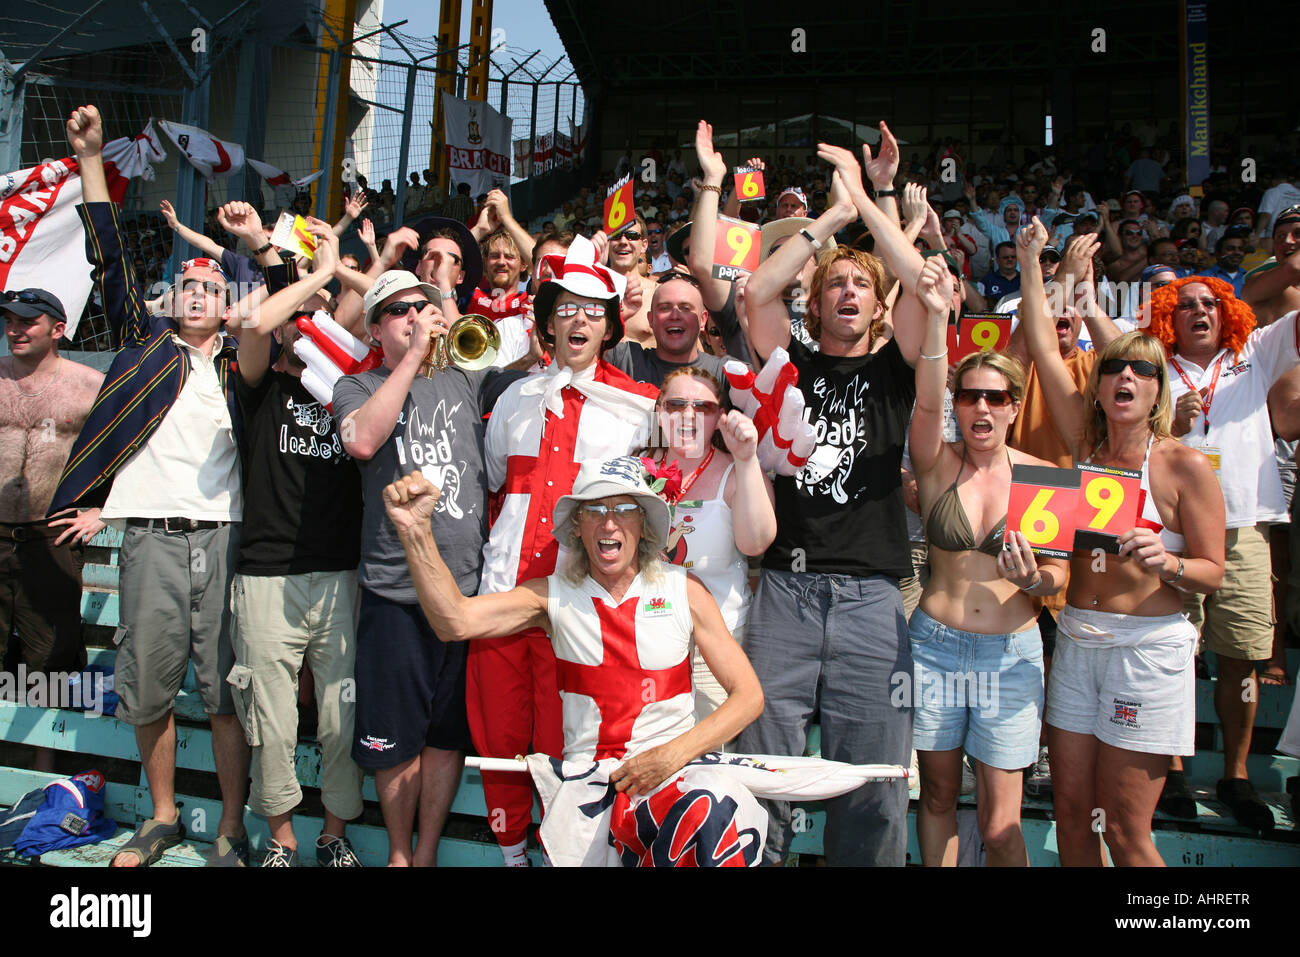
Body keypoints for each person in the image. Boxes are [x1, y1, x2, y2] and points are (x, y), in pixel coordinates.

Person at [49, 106, 293, 867]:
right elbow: (106, 257)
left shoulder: (241, 369)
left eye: (211, 283)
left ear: (226, 305)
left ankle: (226, 826)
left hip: (224, 541)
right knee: (148, 689)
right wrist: (92, 160)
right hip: (150, 537)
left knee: (224, 694)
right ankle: (160, 817)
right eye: (185, 282)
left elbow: (284, 307)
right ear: (167, 299)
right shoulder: (141, 349)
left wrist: (258, 242)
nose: (196, 289)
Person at [384, 456, 764, 866]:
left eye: (624, 510)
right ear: (578, 527)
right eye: (595, 510)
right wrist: (416, 532)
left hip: (676, 783)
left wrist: (672, 755)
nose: (609, 523)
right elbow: (453, 621)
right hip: (588, 790)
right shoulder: (550, 596)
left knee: (706, 816)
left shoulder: (685, 589)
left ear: (644, 525)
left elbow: (749, 697)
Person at [735, 139, 928, 866]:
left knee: (875, 781)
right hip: (785, 588)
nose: (849, 292)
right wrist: (832, 215)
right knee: (761, 775)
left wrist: (874, 206)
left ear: (879, 307)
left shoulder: (897, 368)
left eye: (862, 286)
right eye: (835, 284)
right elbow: (755, 293)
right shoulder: (792, 361)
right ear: (814, 303)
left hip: (874, 597)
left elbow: (922, 288)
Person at [1017, 216, 1226, 866]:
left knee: (1129, 835)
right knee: (1074, 819)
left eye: (1141, 370)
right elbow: (1045, 352)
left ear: (1158, 387)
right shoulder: (1083, 451)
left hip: (1149, 649)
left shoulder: (1182, 465)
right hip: (1077, 639)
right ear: (1100, 386)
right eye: (1114, 370)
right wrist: (1032, 260)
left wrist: (1169, 561)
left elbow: (1213, 570)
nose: (1126, 378)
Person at [470, 235, 660, 866]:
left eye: (593, 310)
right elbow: (497, 483)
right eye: (566, 308)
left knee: (567, 744)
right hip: (504, 599)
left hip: (580, 608)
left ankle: (562, 854)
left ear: (610, 326)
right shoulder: (512, 398)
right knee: (499, 736)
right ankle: (511, 855)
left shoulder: (639, 410)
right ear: (547, 322)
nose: (578, 320)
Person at [332, 269, 521, 866]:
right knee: (395, 741)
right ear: (377, 327)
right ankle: (396, 853)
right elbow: (362, 442)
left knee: (446, 737)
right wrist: (413, 357)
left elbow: (532, 366)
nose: (416, 315)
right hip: (396, 590)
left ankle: (428, 853)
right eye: (399, 310)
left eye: (425, 305)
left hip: (464, 595)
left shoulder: (465, 377)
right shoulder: (356, 386)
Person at [908, 256, 1068, 865]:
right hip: (933, 648)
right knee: (940, 798)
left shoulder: (1045, 478)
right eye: (968, 395)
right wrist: (934, 314)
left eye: (993, 397)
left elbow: (1064, 575)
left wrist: (1039, 578)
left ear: (1012, 404)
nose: (979, 407)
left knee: (1002, 825)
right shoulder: (936, 462)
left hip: (1012, 653)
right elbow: (926, 396)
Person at [227, 225, 367, 868]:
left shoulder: (349, 391)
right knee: (274, 723)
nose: (305, 327)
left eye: (318, 323)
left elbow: (381, 313)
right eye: (298, 322)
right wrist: (315, 278)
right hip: (267, 577)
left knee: (340, 720)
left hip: (338, 576)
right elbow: (253, 322)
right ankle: (282, 843)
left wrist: (350, 273)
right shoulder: (261, 387)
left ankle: (333, 836)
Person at [1149, 274, 1300, 832]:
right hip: (1171, 530)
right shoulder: (1154, 364)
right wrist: (1171, 424)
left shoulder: (1256, 351)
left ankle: (1235, 775)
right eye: (1185, 305)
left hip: (1243, 528)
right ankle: (1172, 768)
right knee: (1172, 654)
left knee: (1240, 660)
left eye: (1209, 303)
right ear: (1169, 316)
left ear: (1227, 310)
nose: (1199, 312)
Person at [1, 288, 104, 753]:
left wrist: (102, 509)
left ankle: (44, 766)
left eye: (27, 321)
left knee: (52, 654)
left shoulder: (89, 384)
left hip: (52, 532)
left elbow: (131, 448)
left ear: (58, 329)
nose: (15, 329)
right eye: (10, 321)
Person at [642, 368, 775, 719]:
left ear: (719, 418)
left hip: (714, 646)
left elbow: (756, 543)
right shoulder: (635, 469)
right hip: (648, 637)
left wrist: (747, 459)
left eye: (703, 407)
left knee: (710, 762)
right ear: (659, 412)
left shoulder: (738, 471)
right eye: (676, 404)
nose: (688, 415)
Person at [605, 274, 729, 387]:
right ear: (651, 319)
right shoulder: (626, 361)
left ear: (703, 320)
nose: (675, 315)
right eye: (665, 308)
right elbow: (588, 356)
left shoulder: (724, 373)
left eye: (685, 308)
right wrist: (615, 318)